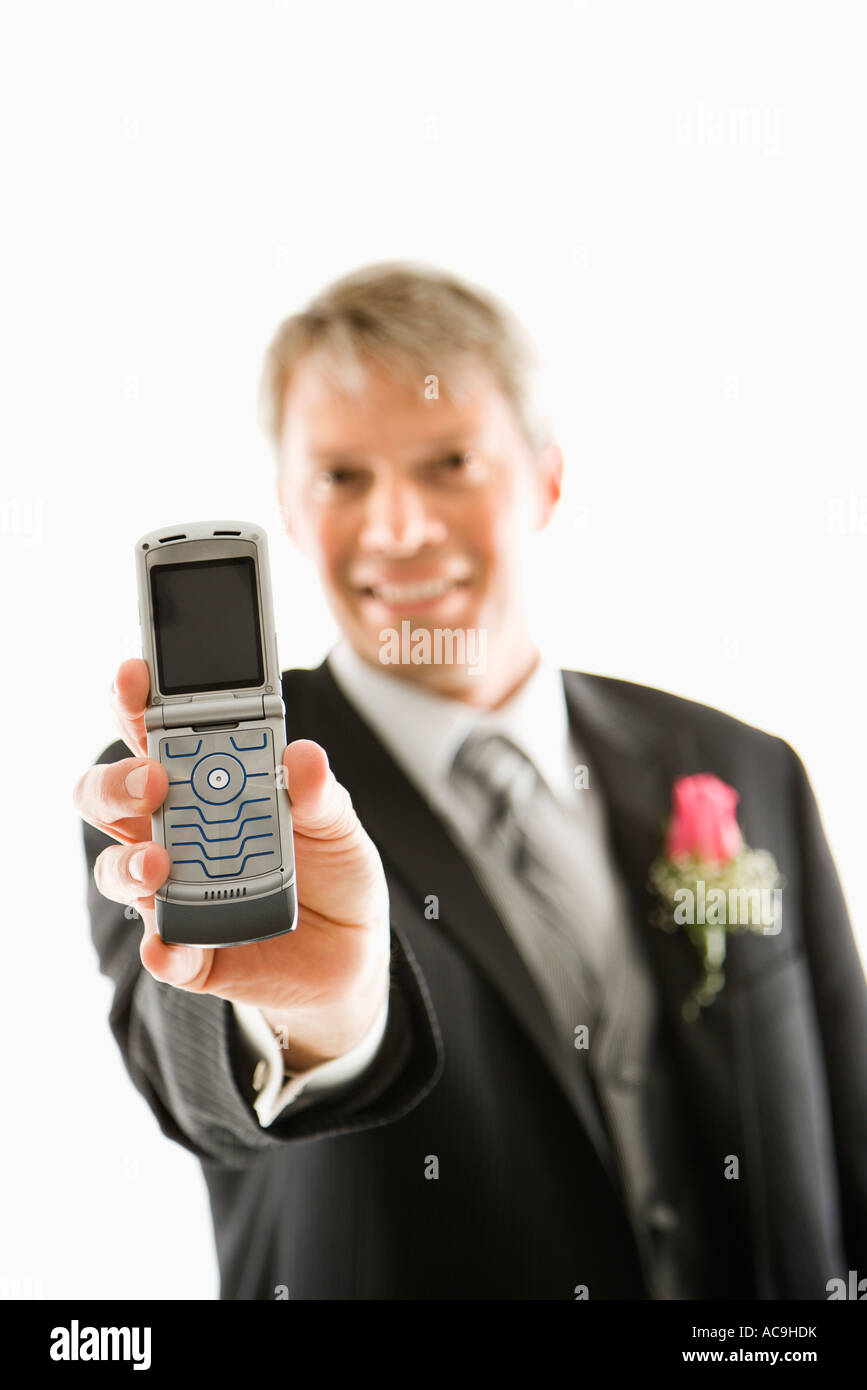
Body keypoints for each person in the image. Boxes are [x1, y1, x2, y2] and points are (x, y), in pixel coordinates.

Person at [75, 262, 867, 1300]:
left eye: (450, 461)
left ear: (545, 478)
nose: (399, 526)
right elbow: (201, 1093)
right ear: (292, 510)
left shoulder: (741, 766)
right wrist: (323, 1021)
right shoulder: (193, 792)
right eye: (343, 477)